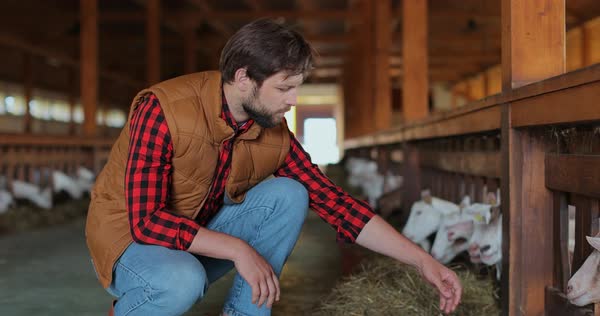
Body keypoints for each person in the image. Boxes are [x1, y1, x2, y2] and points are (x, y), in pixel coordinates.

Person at [85, 19, 462, 316]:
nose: (294, 101)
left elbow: (335, 203)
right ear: (244, 78)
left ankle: (244, 313)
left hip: (195, 230)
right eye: (285, 89)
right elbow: (147, 221)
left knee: (289, 193)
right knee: (181, 281)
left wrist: (422, 259)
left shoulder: (271, 131)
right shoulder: (164, 109)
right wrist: (238, 249)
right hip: (130, 240)